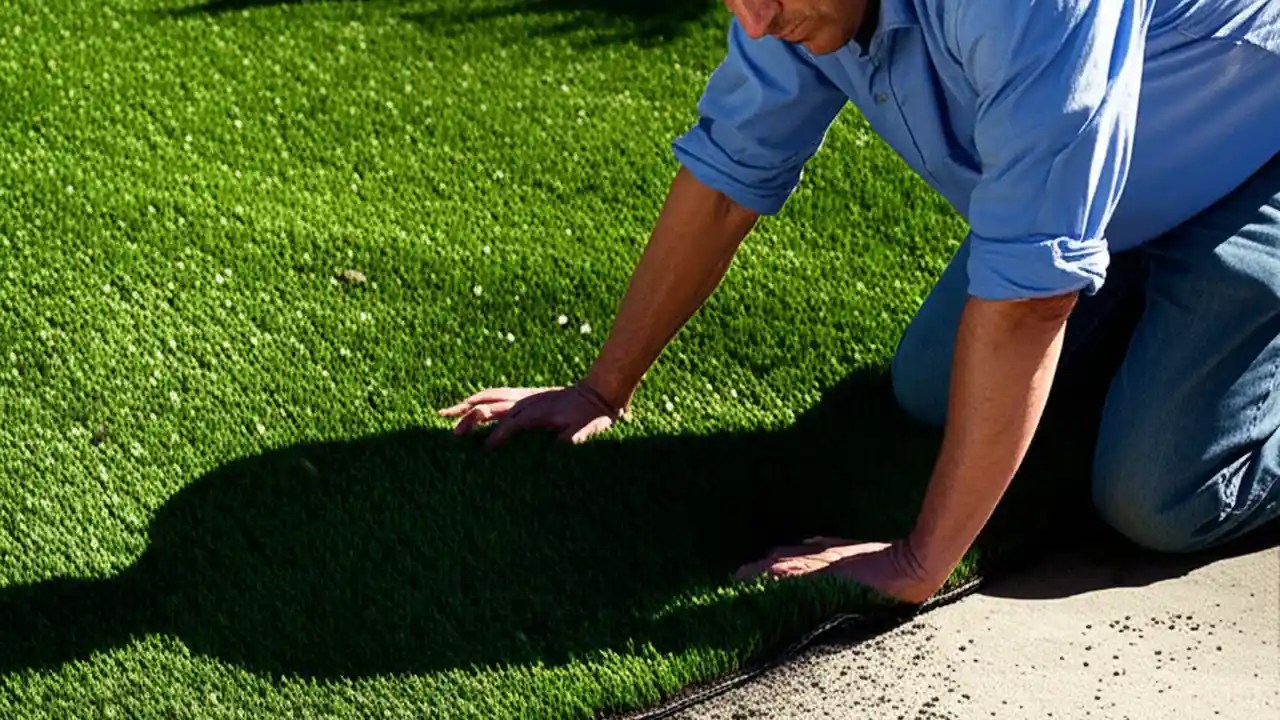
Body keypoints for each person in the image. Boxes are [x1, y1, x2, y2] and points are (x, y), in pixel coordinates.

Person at [440, 0, 1280, 604]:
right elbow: (728, 178)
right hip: (1122, 187)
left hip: (1254, 167)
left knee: (1157, 496)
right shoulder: (784, 7)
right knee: (926, 387)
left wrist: (918, 560)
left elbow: (1029, 303)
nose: (754, 22)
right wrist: (600, 389)